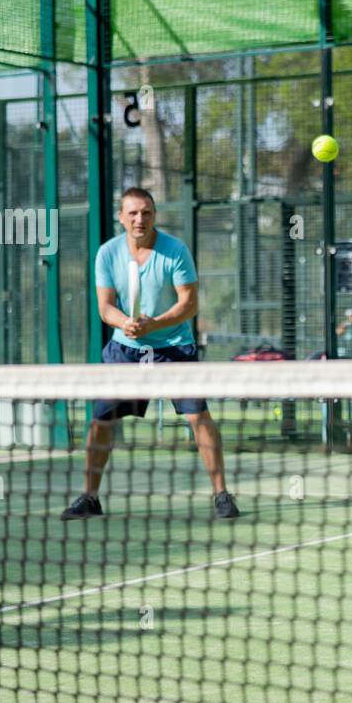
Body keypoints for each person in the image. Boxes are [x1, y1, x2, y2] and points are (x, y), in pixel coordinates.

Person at [61, 187, 238, 521]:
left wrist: (153, 324)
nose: (139, 219)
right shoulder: (107, 253)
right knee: (101, 421)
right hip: (124, 350)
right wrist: (126, 324)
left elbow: (190, 304)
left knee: (199, 418)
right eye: (133, 213)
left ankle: (221, 495)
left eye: (146, 212)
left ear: (154, 215)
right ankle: (90, 497)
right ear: (121, 217)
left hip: (174, 348)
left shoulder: (175, 251)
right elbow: (105, 307)